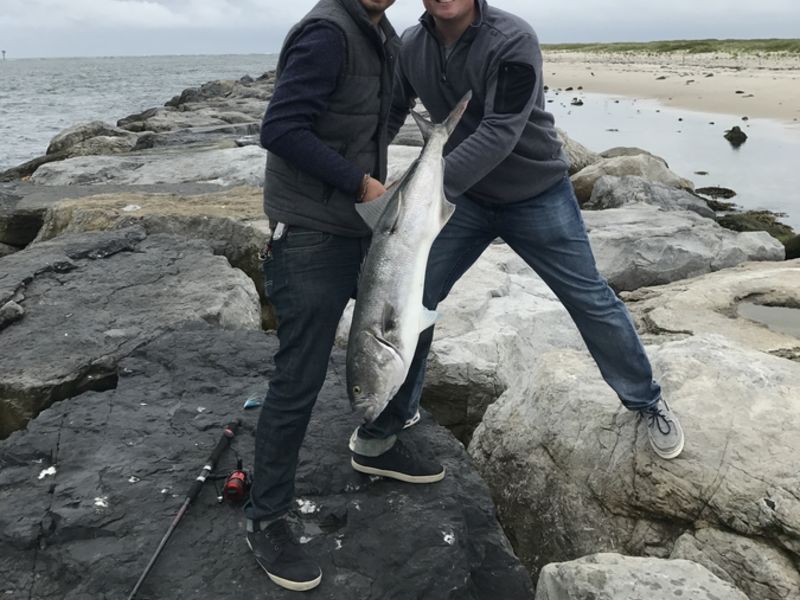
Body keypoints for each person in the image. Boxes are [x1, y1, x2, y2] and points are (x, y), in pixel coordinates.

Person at [351, 0, 685, 467]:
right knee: (412, 299)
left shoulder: (512, 39)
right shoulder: (411, 44)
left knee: (589, 297)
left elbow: (499, 133)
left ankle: (646, 401)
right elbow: (392, 112)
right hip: (462, 202)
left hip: (535, 193)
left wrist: (422, 194)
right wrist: (361, 170)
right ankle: (392, 410)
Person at [244, 0, 445, 593]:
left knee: (411, 324)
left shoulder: (380, 33)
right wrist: (362, 182)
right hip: (310, 232)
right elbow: (279, 129)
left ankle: (377, 440)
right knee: (299, 374)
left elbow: (376, 120)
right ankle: (268, 516)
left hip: (363, 224)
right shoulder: (328, 32)